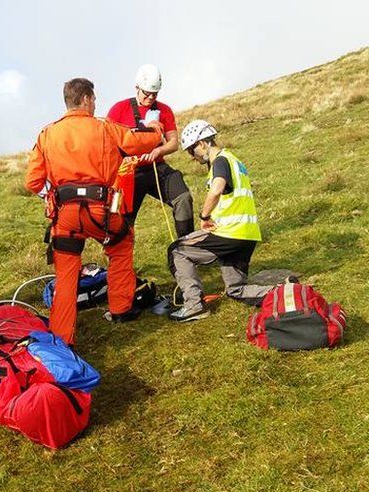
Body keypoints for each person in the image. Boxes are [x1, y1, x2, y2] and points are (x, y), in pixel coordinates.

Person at [25, 77, 163, 345]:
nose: (95, 104)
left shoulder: (46, 134)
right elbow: (138, 143)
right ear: (87, 99)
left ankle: (62, 338)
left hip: (65, 216)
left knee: (66, 276)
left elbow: (32, 182)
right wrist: (157, 131)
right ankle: (122, 308)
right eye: (95, 99)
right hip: (101, 211)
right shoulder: (104, 128)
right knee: (122, 245)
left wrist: (49, 195)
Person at [167, 120, 273, 322]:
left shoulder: (220, 162)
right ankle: (286, 290)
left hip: (230, 233)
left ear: (203, 143)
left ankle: (194, 306)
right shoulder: (234, 160)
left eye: (192, 150)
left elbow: (217, 189)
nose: (192, 156)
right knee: (236, 289)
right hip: (248, 235)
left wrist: (204, 216)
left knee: (177, 251)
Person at [106, 64, 194, 238]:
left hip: (156, 167)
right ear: (137, 88)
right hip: (130, 172)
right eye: (147, 93)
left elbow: (173, 143)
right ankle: (122, 262)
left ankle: (187, 249)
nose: (151, 97)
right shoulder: (119, 109)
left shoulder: (164, 110)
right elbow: (108, 142)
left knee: (183, 197)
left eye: (155, 94)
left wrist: (159, 151)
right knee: (122, 219)